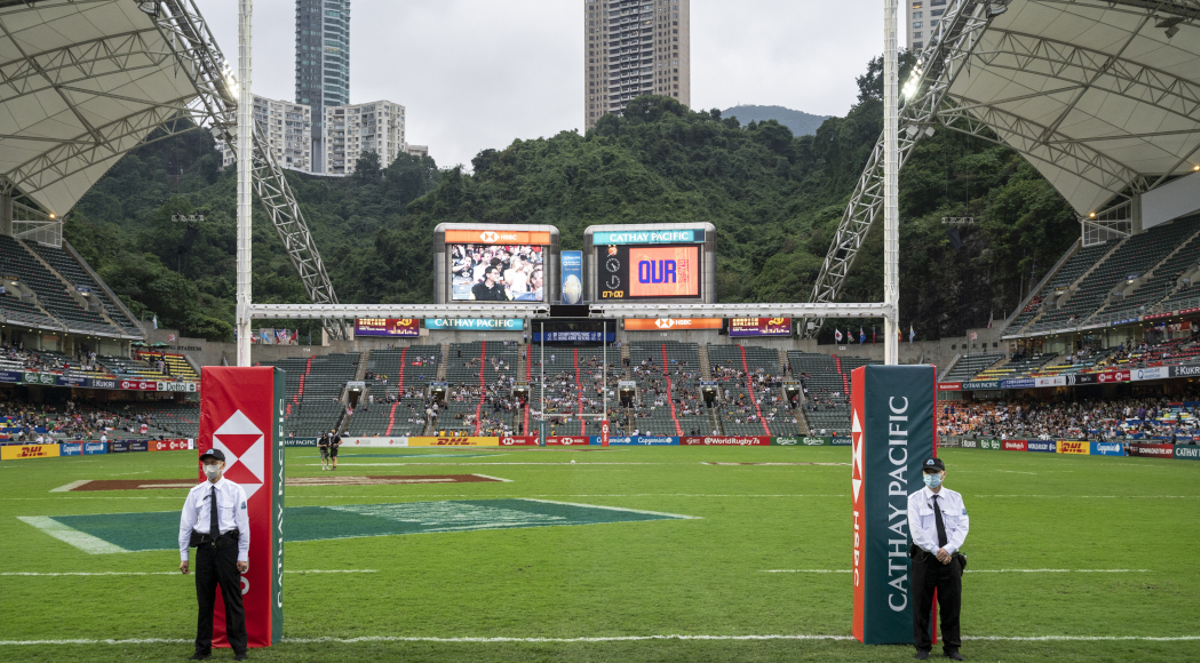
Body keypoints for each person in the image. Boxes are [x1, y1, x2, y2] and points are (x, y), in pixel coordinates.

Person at [178, 449, 250, 661]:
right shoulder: (195, 492)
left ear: (223, 465)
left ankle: (239, 649)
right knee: (205, 602)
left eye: (214, 462)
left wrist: (243, 554)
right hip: (204, 549)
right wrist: (184, 555)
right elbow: (186, 525)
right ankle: (202, 649)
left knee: (233, 600)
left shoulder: (235, 490)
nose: (210, 466)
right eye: (206, 463)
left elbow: (243, 525)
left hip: (228, 548)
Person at [908, 457, 969, 661]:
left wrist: (948, 549)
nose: (930, 476)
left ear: (944, 474)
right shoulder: (914, 499)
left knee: (951, 605)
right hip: (925, 558)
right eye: (927, 473)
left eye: (934, 473)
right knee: (921, 605)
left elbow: (962, 526)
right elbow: (916, 532)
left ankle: (952, 647)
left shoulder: (955, 498)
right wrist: (937, 551)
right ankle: (922, 647)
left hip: (950, 559)